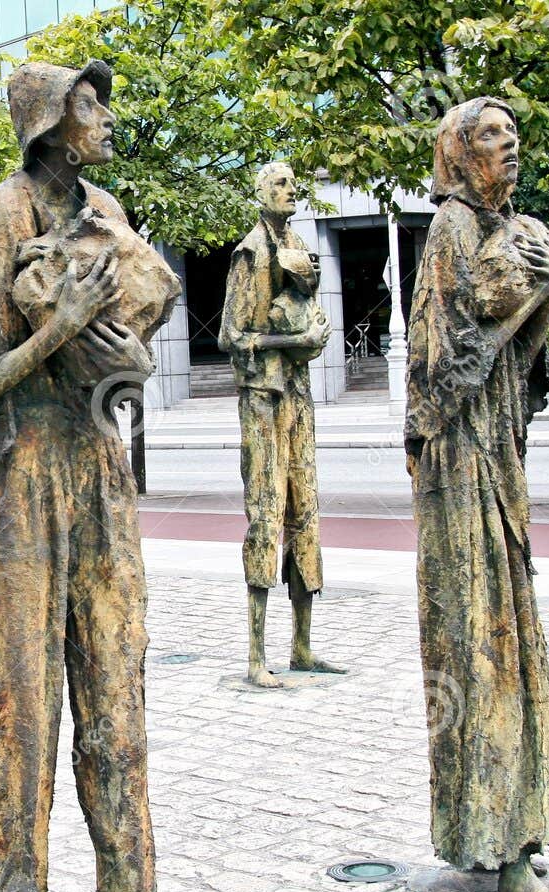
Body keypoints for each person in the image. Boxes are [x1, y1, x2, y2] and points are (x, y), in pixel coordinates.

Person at [0, 59, 173, 892]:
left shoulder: (110, 209)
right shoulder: (7, 211)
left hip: (96, 468)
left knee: (117, 687)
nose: (107, 119)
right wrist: (57, 331)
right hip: (25, 482)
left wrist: (126, 356)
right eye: (90, 105)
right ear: (49, 122)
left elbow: (129, 359)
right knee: (22, 702)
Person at [404, 97, 549, 892]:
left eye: (513, 136)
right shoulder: (451, 232)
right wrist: (524, 299)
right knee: (480, 641)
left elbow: (517, 368)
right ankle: (503, 852)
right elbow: (445, 370)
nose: (508, 148)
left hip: (496, 458)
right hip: (458, 466)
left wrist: (541, 299)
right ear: (457, 151)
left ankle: (511, 835)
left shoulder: (509, 230)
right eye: (490, 136)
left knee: (508, 637)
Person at [219, 162, 342, 688]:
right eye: (279, 185)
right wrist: (291, 343)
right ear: (260, 193)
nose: (290, 191)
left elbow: (307, 317)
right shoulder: (249, 253)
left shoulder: (297, 245)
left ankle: (302, 646)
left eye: (293, 185)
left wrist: (315, 332)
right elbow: (230, 334)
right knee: (265, 511)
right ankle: (255, 656)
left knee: (304, 509)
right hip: (262, 398)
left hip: (297, 396)